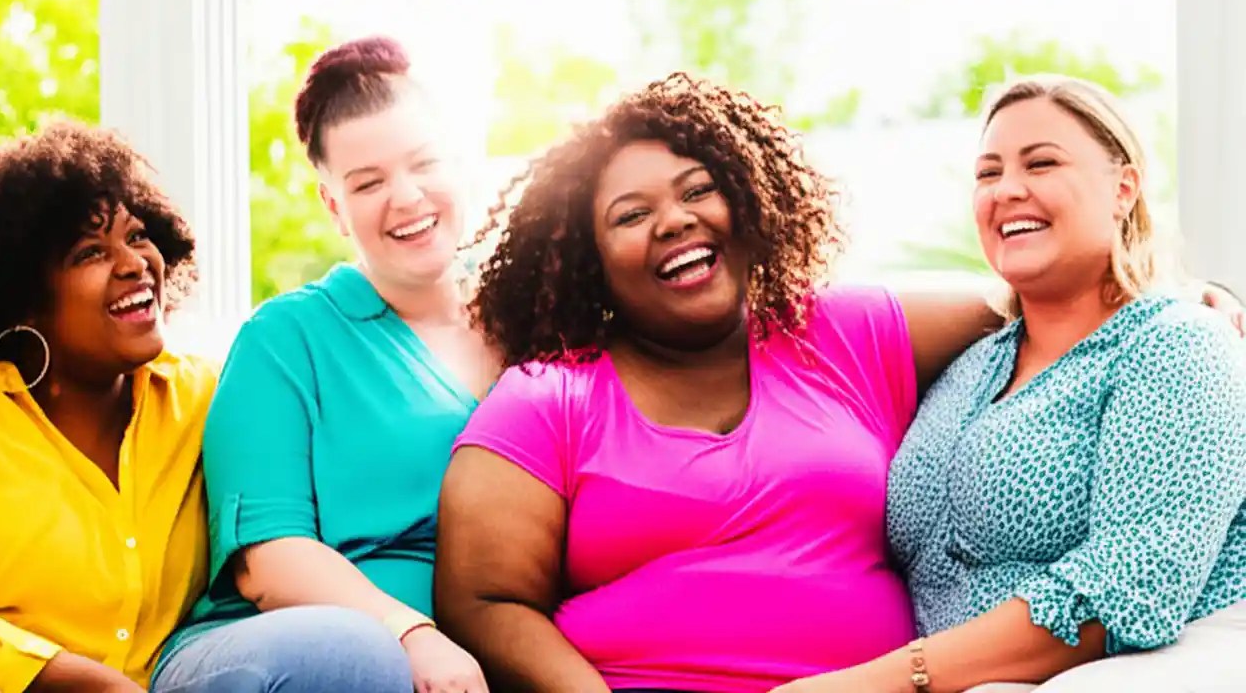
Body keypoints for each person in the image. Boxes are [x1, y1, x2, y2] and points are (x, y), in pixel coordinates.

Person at [434, 71, 1038, 693]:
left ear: (749, 203)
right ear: (593, 261)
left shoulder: (843, 333)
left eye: (698, 190)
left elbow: (1037, 305)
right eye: (632, 215)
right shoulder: (547, 398)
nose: (673, 221)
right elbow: (481, 600)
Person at [775, 76, 1246, 693]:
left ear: (1123, 188)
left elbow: (1132, 584)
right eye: (987, 173)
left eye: (1042, 163)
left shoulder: (1175, 343)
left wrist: (881, 680)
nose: (1008, 190)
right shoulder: (970, 363)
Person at [153, 36, 494, 693]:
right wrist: (411, 637)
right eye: (368, 183)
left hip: (485, 646)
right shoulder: (285, 339)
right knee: (349, 651)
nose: (406, 197)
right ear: (334, 207)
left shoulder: (538, 320)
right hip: (283, 654)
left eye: (424, 163)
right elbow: (269, 564)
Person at [0, 122, 217, 692]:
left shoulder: (201, 399)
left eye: (137, 235)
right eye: (89, 252)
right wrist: (76, 680)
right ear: (23, 301)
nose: (133, 263)